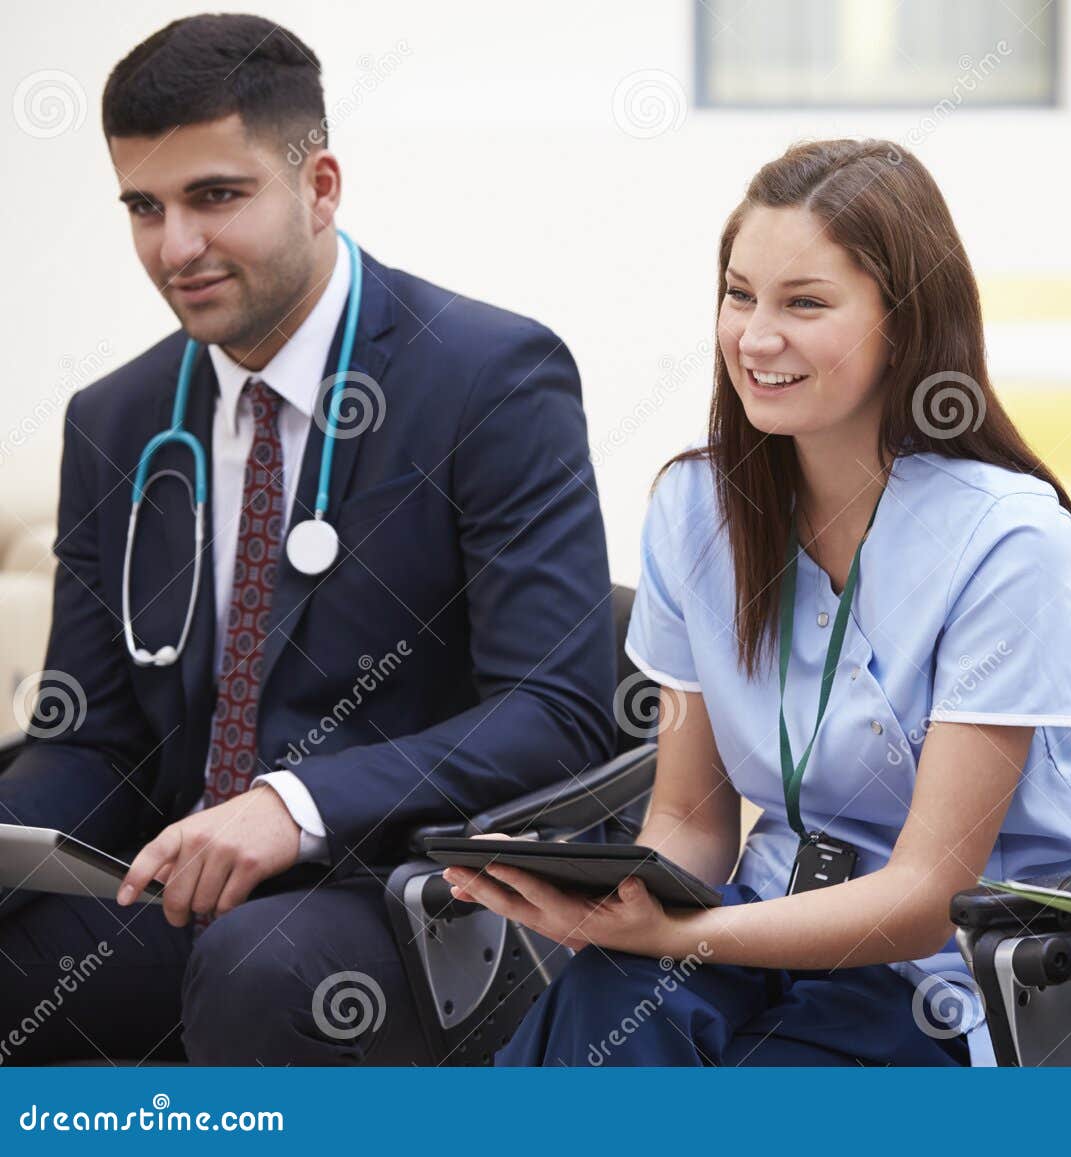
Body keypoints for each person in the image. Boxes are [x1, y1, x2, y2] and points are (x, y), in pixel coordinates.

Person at [0, 14, 615, 1064]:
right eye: (144, 207)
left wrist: (293, 803)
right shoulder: (119, 420)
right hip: (183, 881)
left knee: (261, 963)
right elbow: (93, 738)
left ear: (320, 185)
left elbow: (555, 714)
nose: (174, 247)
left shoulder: (489, 379)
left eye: (215, 196)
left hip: (410, 890)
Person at [444, 139, 1071, 1066]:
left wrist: (674, 939)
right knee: (606, 1009)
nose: (756, 337)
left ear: (905, 323)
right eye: (739, 293)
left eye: (805, 303)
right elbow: (692, 818)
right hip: (754, 923)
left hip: (941, 974)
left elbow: (925, 896)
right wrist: (614, 902)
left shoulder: (1009, 539)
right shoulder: (694, 509)